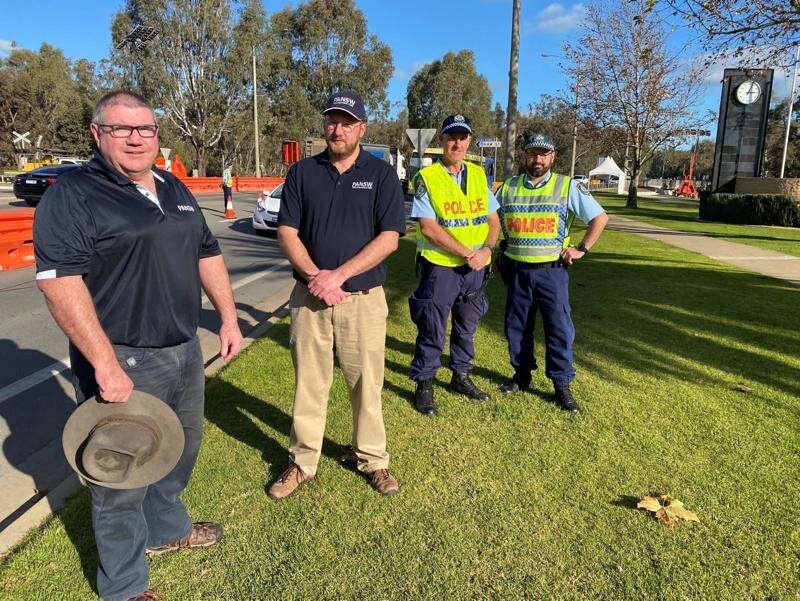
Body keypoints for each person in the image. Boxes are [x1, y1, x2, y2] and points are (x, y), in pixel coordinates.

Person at [33, 90, 244, 601]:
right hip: (123, 355)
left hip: (183, 347)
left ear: (156, 134)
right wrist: (104, 364)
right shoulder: (75, 192)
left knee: (180, 450)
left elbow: (206, 251)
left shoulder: (172, 186)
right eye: (121, 129)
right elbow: (60, 283)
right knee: (119, 475)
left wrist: (230, 318)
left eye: (145, 129)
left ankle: (167, 531)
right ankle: (125, 588)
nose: (135, 138)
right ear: (97, 134)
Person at [269, 91, 406, 500]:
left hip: (362, 299)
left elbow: (390, 237)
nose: (338, 128)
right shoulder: (302, 172)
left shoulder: (380, 175)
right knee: (309, 383)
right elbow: (286, 231)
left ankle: (373, 460)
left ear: (362, 128)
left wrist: (340, 276)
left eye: (347, 121)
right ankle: (303, 461)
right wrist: (316, 277)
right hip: (310, 298)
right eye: (332, 120)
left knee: (366, 383)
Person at [496, 133, 608, 413]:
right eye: (533, 154)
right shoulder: (507, 187)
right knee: (518, 328)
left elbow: (599, 217)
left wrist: (582, 248)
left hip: (551, 273)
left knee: (558, 329)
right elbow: (490, 218)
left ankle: (561, 385)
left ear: (553, 157)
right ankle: (521, 377)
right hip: (518, 270)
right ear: (525, 156)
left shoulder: (567, 186)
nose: (537, 159)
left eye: (543, 154)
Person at [408, 115, 501, 416]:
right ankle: (424, 383)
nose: (457, 142)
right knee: (433, 327)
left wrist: (487, 249)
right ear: (442, 141)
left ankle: (461, 376)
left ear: (469, 141)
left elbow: (493, 219)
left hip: (475, 267)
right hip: (441, 267)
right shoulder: (428, 178)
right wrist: (466, 253)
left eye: (463, 137)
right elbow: (427, 227)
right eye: (451, 137)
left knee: (467, 325)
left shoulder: (478, 175)